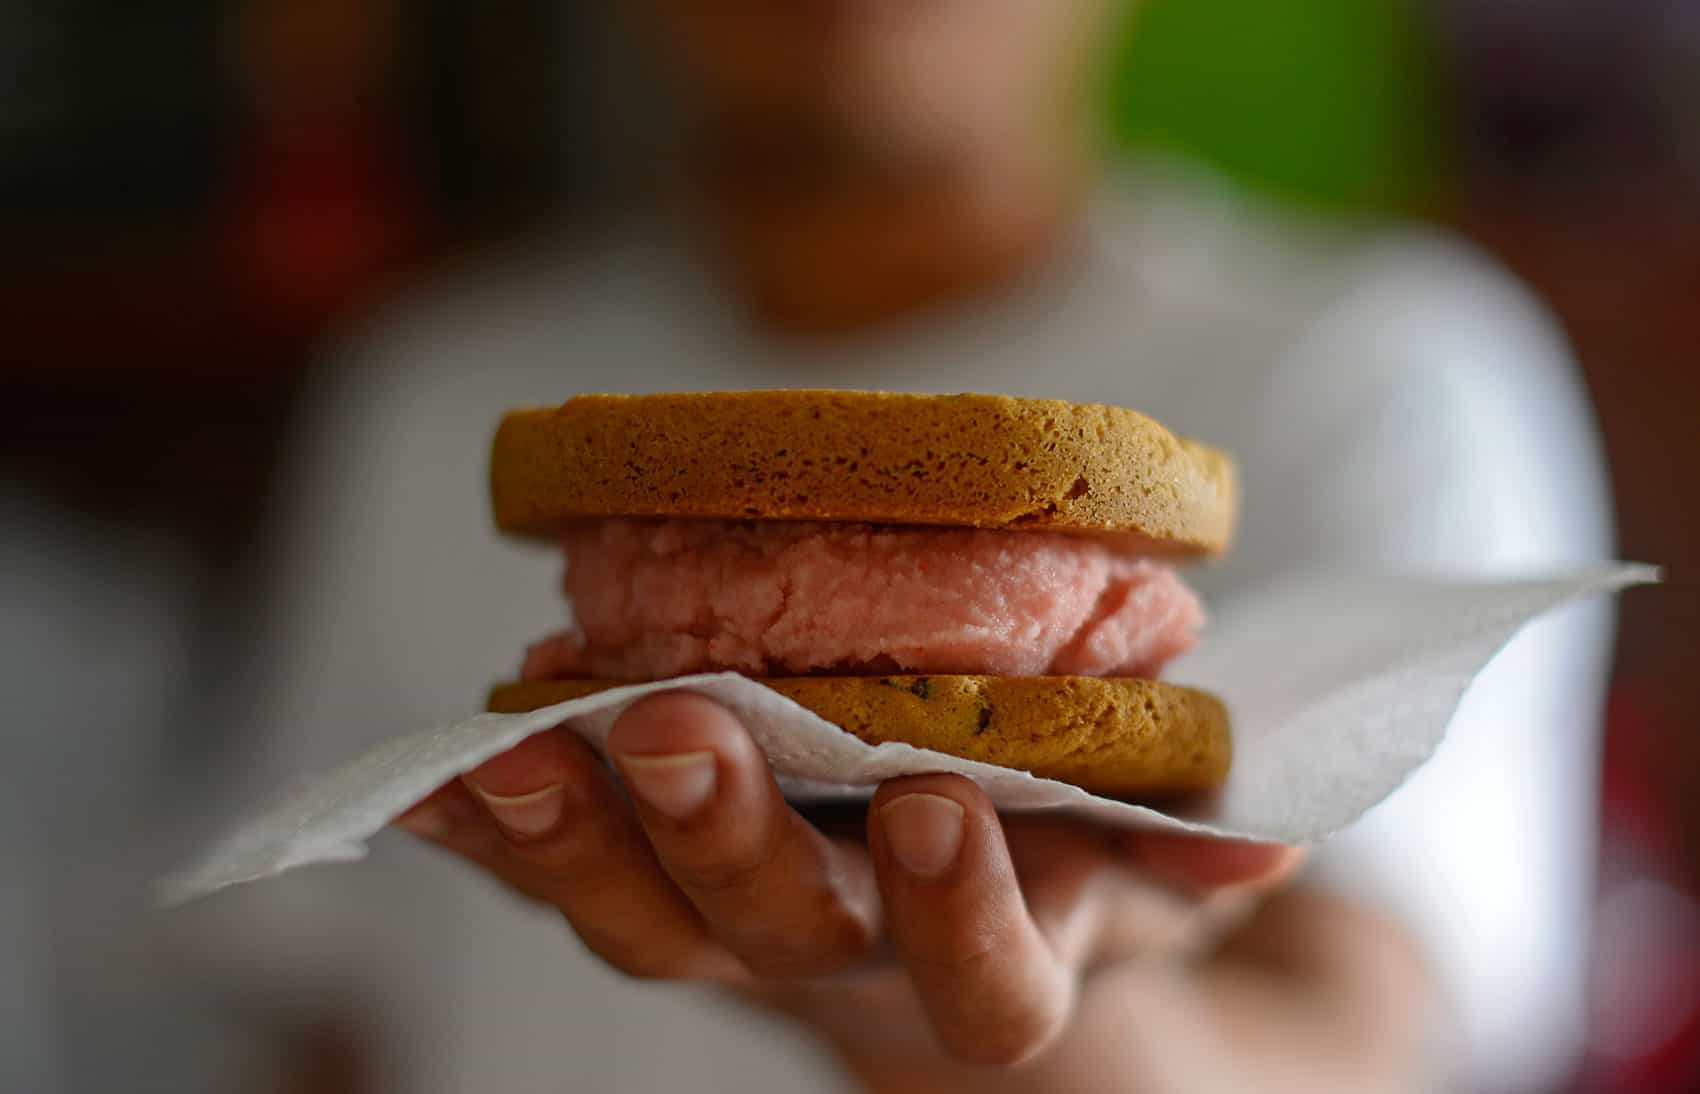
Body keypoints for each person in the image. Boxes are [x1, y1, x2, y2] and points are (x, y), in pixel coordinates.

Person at [198, 2, 1614, 1091]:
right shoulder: (428, 394)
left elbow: (1362, 1036)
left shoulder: (1378, 366)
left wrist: (1042, 1046)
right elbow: (332, 1019)